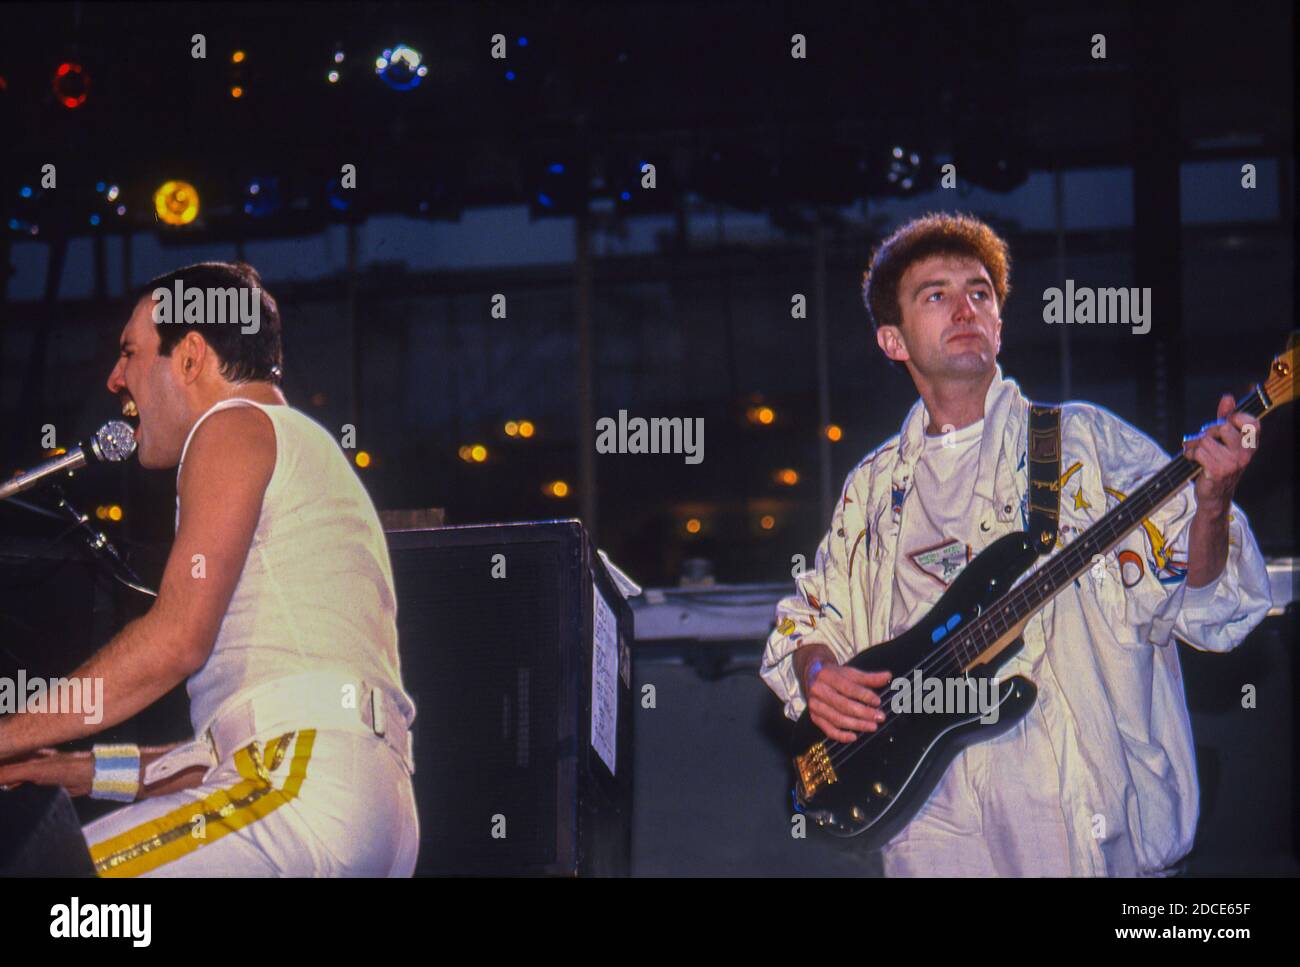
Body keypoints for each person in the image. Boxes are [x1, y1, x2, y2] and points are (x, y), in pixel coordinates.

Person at [760, 213, 1272, 876]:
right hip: (930, 827)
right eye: (935, 295)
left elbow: (1200, 607)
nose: (965, 307)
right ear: (893, 339)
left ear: (1000, 321)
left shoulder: (1084, 443)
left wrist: (1211, 507)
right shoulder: (873, 486)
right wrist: (819, 674)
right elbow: (810, 617)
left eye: (980, 293)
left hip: (1078, 810)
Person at [0, 262, 419, 876]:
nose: (116, 379)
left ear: (191, 356)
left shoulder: (229, 426)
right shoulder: (304, 453)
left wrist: (11, 734)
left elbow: (176, 641)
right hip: (363, 809)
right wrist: (70, 771)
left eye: (130, 352)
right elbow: (219, 763)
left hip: (301, 792)